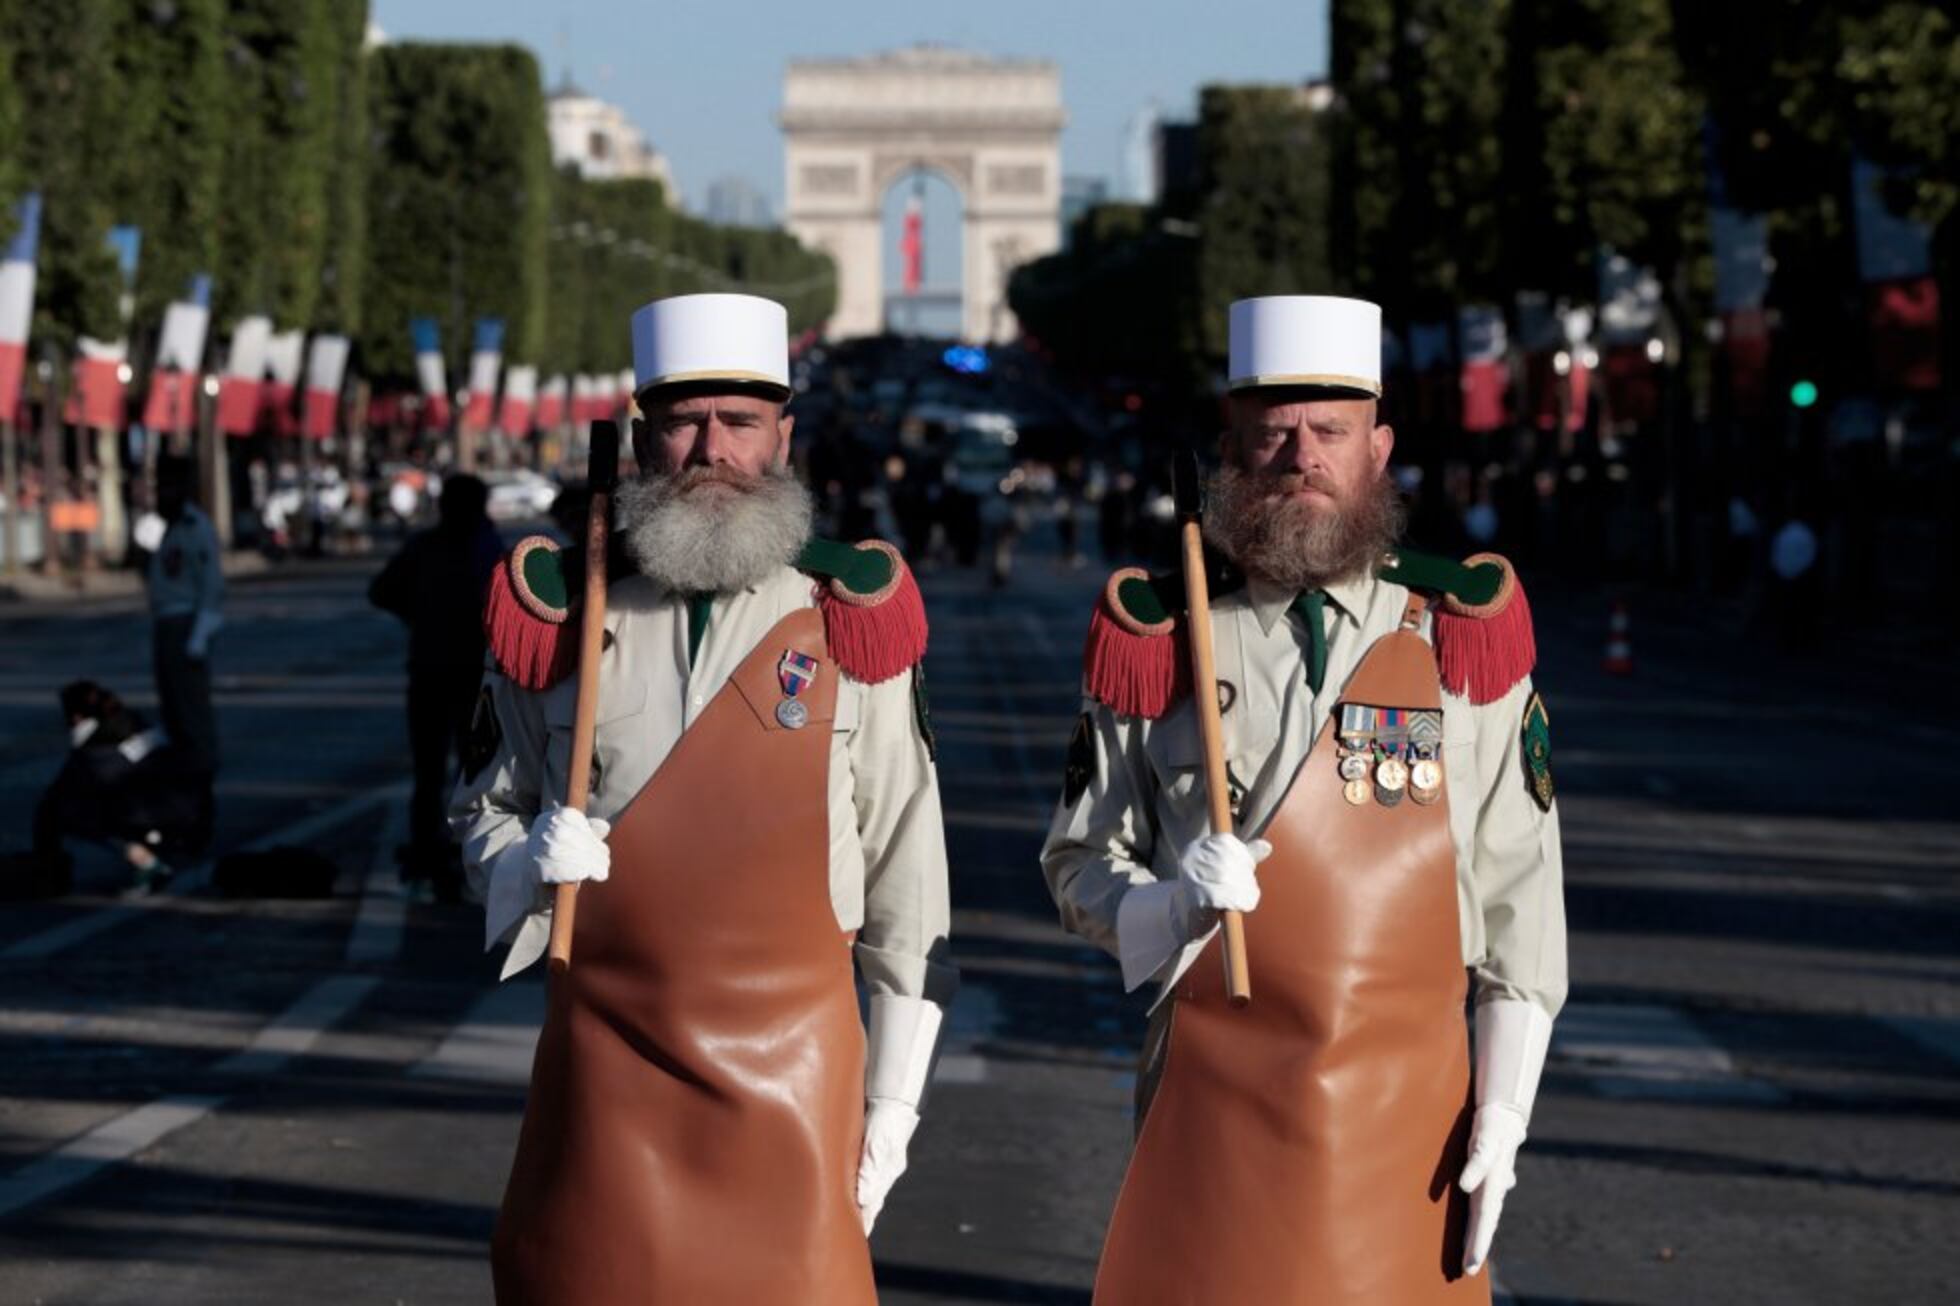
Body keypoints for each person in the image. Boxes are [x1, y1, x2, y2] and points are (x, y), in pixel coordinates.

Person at [1042, 295, 1567, 1303]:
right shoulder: (1160, 635)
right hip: (1212, 1101)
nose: (1300, 457)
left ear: (1377, 448)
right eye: (1272, 434)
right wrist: (1166, 907)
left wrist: (1501, 1116)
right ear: (1231, 449)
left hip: (1411, 1107)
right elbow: (1076, 861)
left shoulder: (1459, 632)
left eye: (1328, 431)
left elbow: (1519, 896)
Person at [453, 292, 954, 1304]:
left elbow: (906, 860)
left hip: (797, 1071)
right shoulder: (555, 611)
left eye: (739, 421)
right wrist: (522, 860)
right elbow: (482, 809)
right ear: (643, 435)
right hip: (606, 1071)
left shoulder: (849, 615)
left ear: (782, 438)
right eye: (685, 420)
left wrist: (893, 1101)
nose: (710, 447)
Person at [368, 473, 501, 900]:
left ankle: (433, 855)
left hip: (436, 672)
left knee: (435, 773)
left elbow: (382, 591)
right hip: (466, 675)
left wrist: (420, 617)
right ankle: (461, 856)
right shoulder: (485, 548)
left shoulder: (430, 547)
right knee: (471, 772)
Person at [32, 680, 202, 893]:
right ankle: (162, 851)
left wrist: (44, 857)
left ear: (76, 717)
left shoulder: (95, 749)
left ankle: (148, 862)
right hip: (191, 813)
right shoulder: (135, 723)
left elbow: (56, 799)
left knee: (66, 811)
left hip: (155, 816)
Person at [145, 454, 223, 847]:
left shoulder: (196, 527)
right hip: (165, 628)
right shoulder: (167, 528)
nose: (162, 494)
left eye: (169, 486)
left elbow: (211, 584)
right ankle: (180, 808)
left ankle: (200, 812)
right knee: (173, 721)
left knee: (194, 725)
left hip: (186, 627)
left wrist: (200, 635)